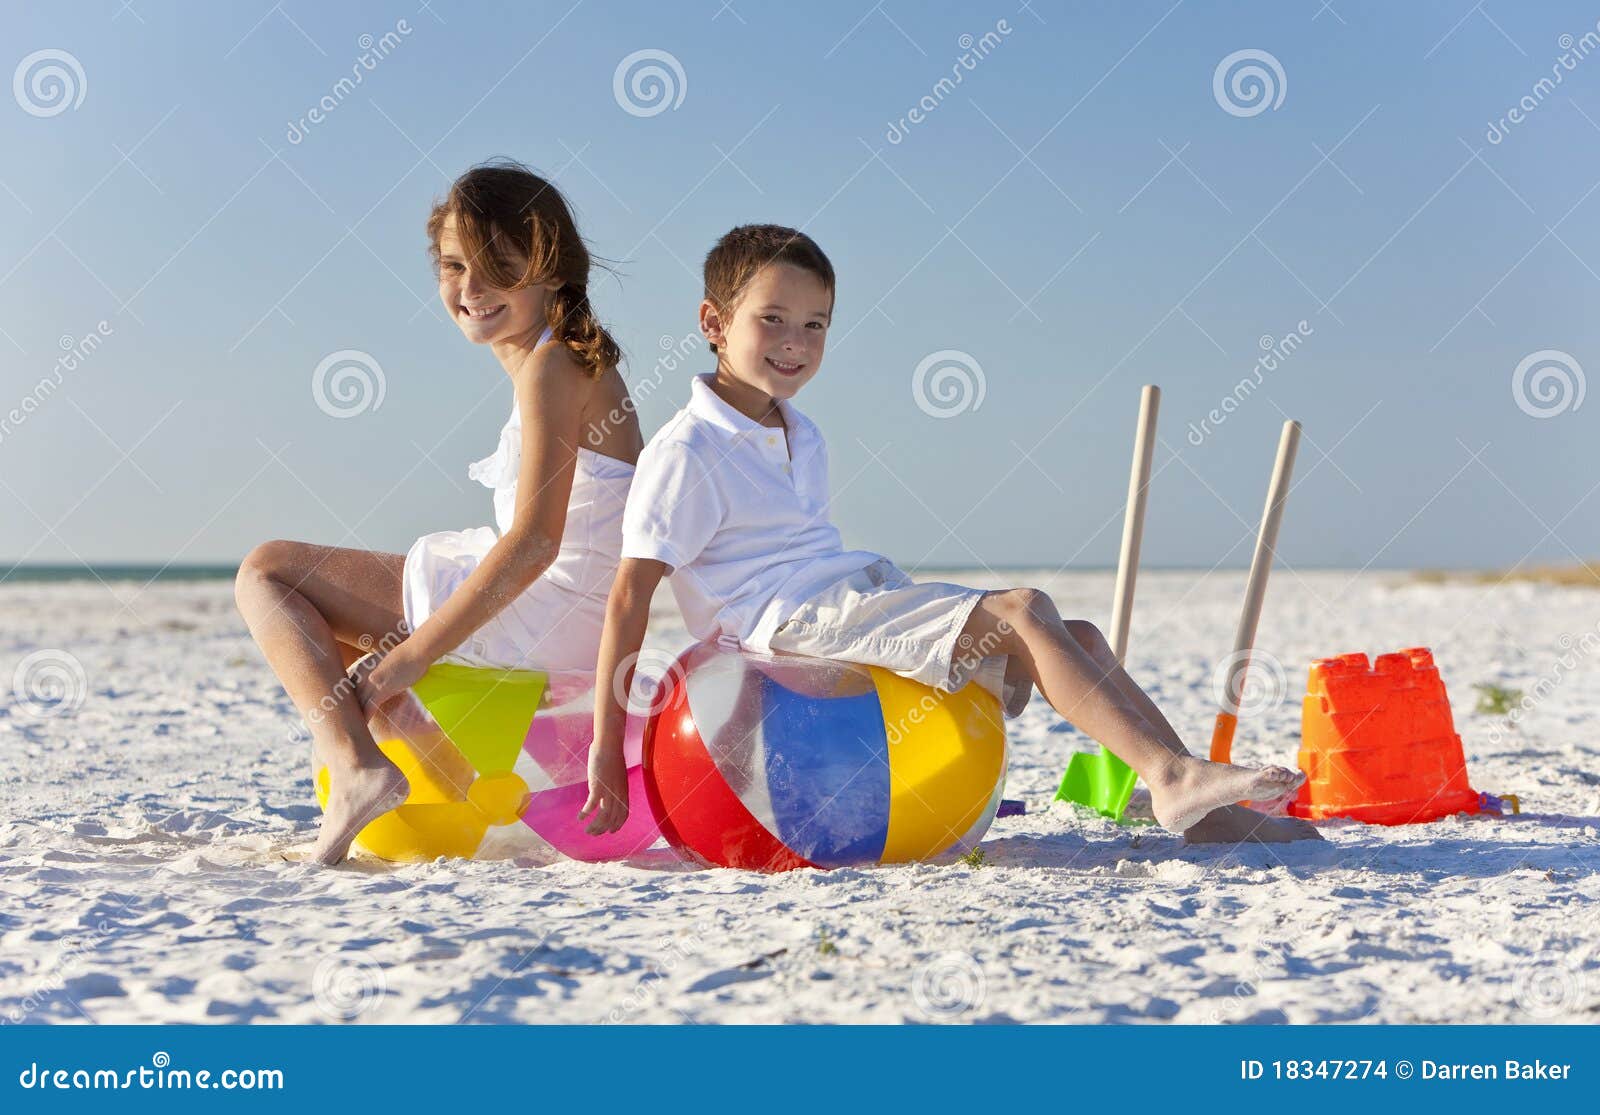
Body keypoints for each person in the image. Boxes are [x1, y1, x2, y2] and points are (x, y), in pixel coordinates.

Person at [581, 223, 1318, 845]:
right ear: (713, 324)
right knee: (1024, 609)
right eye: (770, 319)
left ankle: (1207, 816)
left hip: (845, 595)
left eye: (814, 325)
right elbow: (628, 596)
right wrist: (605, 750)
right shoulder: (687, 450)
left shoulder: (801, 433)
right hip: (783, 628)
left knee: (1080, 637)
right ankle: (1170, 777)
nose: (793, 342)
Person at [235, 160, 641, 865]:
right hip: (567, 613)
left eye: (497, 266)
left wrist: (415, 655)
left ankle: (358, 766)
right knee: (336, 648)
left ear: (552, 270)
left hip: (551, 608)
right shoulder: (559, 361)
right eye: (454, 265)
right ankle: (438, 778)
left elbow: (536, 544)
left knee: (270, 574)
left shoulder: (554, 368)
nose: (470, 289)